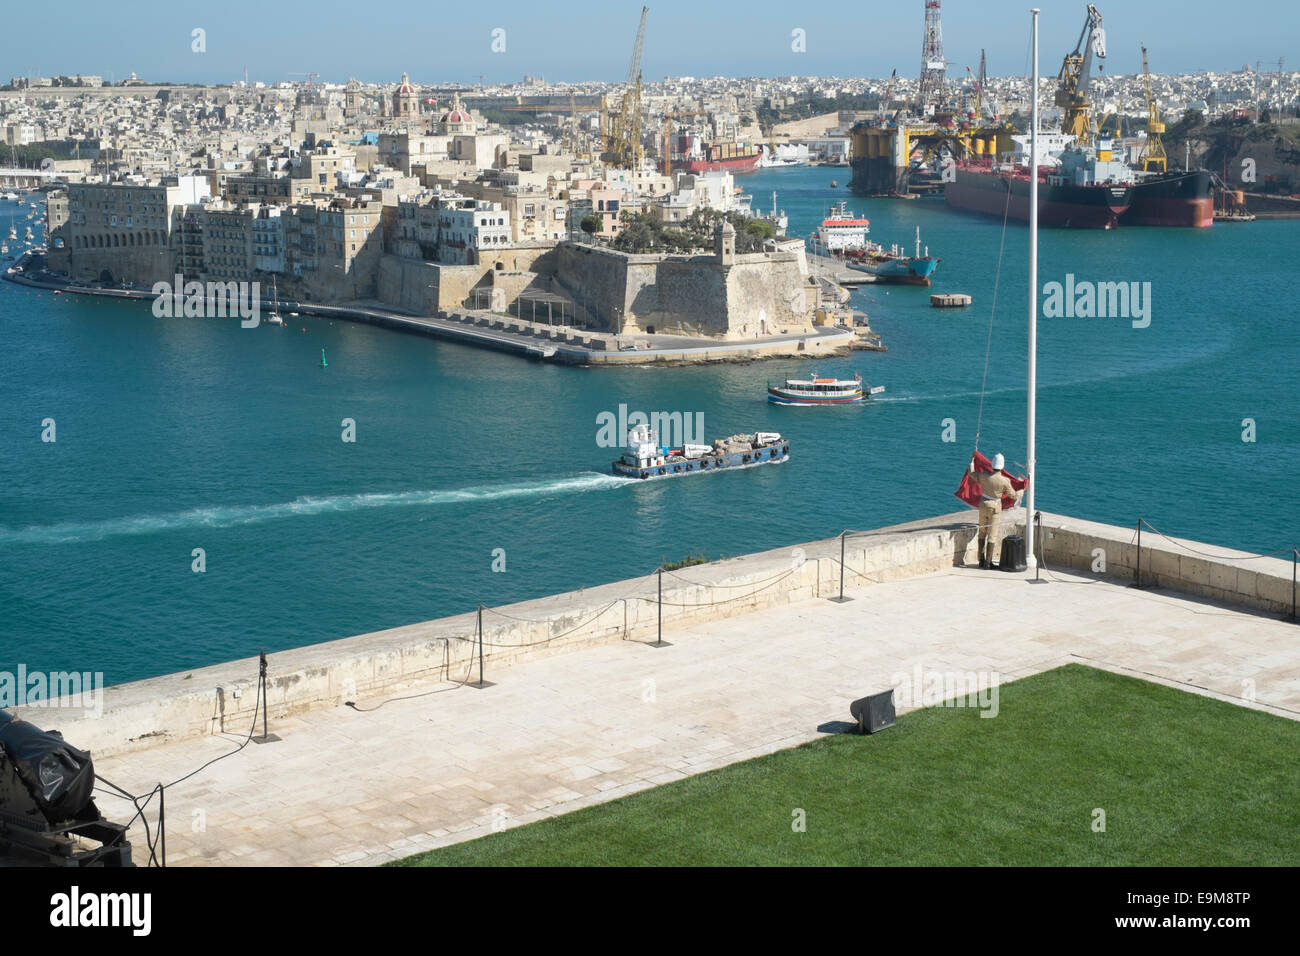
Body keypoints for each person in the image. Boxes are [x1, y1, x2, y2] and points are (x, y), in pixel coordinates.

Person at [970, 453, 1023, 569]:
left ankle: (981, 560)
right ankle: (988, 563)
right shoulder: (1005, 481)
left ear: (992, 464)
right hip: (994, 508)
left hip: (983, 505)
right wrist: (1022, 490)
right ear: (1002, 466)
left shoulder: (984, 476)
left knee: (982, 533)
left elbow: (972, 474)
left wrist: (972, 462)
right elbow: (1013, 496)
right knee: (992, 536)